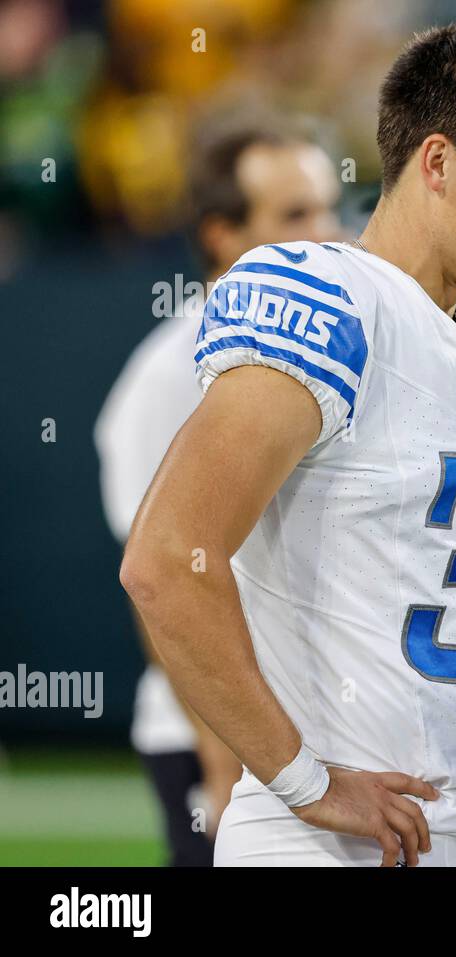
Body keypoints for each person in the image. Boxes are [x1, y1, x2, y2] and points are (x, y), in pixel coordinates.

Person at [119, 23, 456, 867]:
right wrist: (306, 781)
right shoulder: (324, 296)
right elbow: (166, 559)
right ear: (437, 164)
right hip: (325, 841)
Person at [94, 118, 343, 864]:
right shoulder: (171, 374)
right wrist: (222, 752)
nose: (326, 233)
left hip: (302, 728)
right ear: (220, 233)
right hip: (223, 733)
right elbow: (160, 575)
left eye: (329, 207)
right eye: (294, 215)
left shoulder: (319, 342)